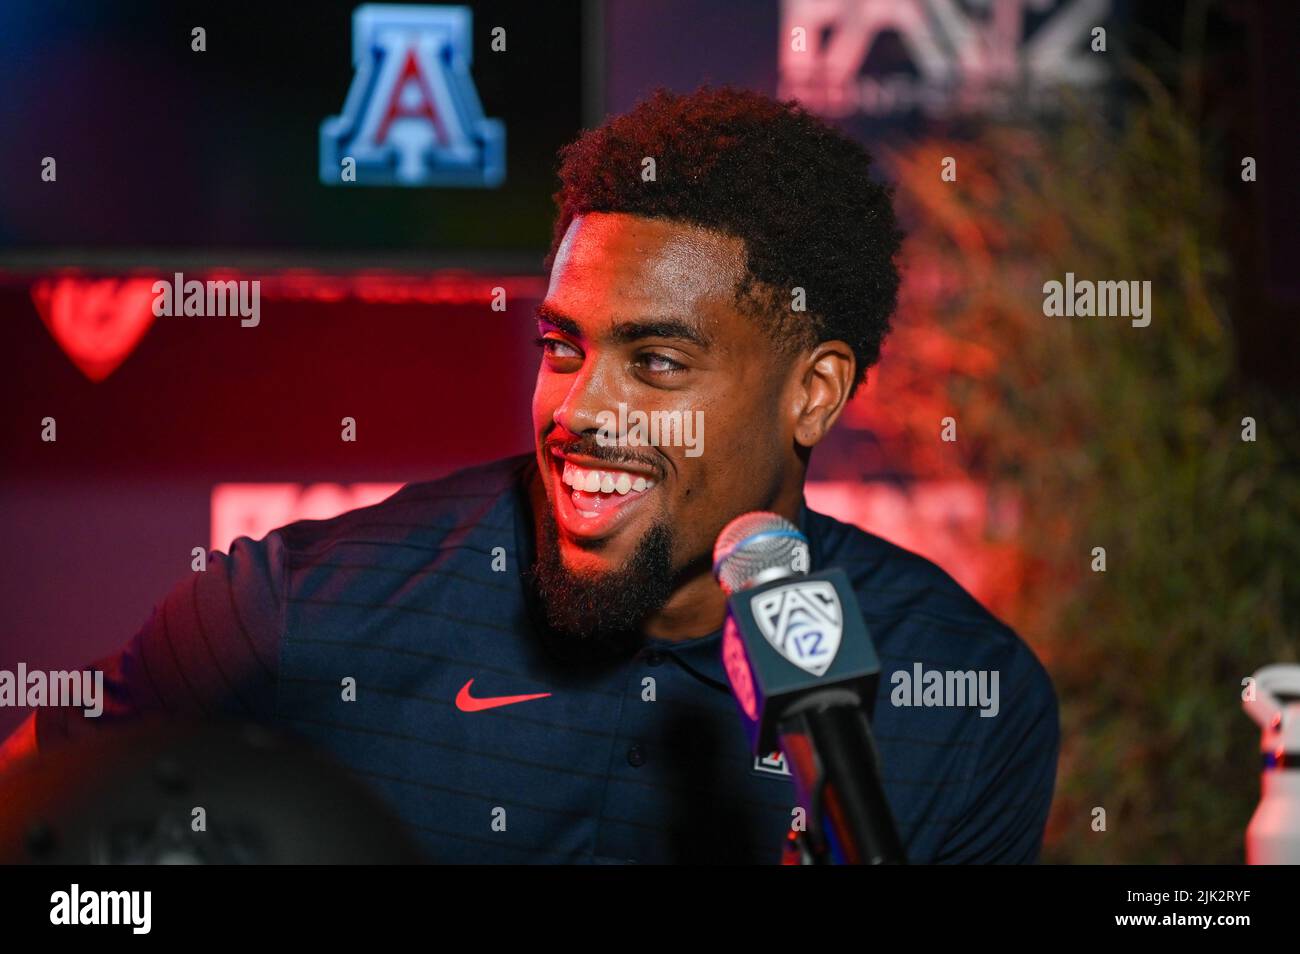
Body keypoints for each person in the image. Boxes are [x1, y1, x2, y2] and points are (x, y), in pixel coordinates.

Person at [0, 86, 1058, 864]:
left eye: (656, 362)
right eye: (562, 348)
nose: (578, 411)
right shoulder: (300, 612)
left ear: (813, 394)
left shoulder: (964, 704)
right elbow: (38, 826)